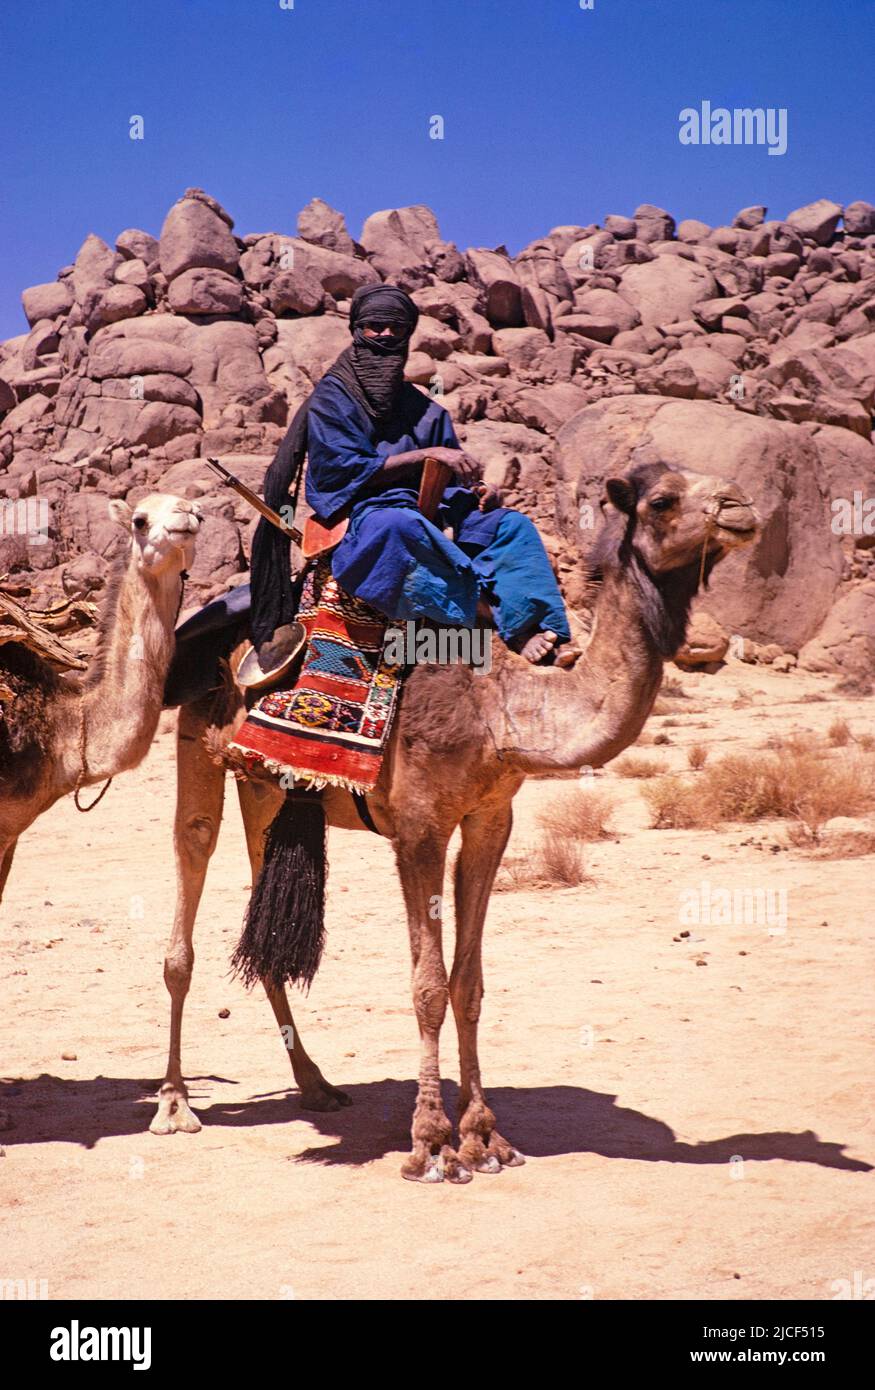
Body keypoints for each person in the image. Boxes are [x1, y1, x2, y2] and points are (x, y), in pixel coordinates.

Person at [250, 283, 576, 666]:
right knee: (400, 526)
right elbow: (342, 474)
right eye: (375, 327)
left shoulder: (425, 409)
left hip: (433, 514)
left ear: (407, 334)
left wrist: (478, 492)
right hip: (365, 517)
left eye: (396, 328)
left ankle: (540, 624)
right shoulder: (331, 400)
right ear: (357, 330)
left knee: (512, 526)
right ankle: (492, 612)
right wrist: (426, 455)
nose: (386, 335)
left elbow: (452, 481)